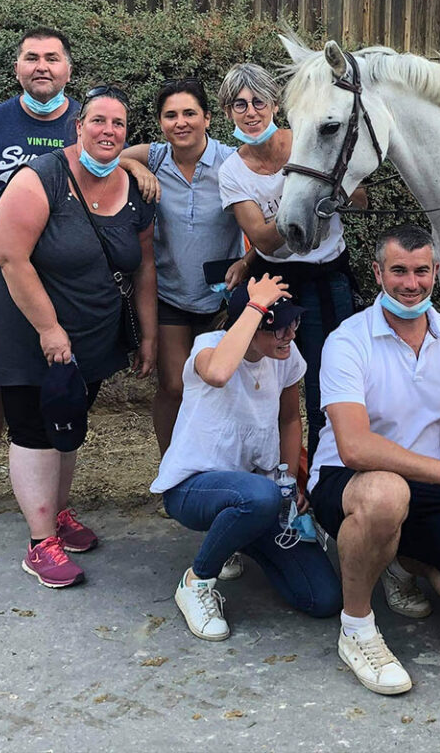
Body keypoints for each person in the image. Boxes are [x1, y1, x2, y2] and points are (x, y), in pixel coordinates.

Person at [0, 28, 154, 534]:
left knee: (66, 420)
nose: (42, 66)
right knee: (11, 405)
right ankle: (14, 517)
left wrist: (138, 166)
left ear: (68, 70)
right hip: (17, 299)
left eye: (52, 58)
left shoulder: (104, 144)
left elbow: (119, 156)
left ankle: (54, 515)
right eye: (31, 57)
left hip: (85, 317)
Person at [307, 225, 440, 697]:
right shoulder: (347, 340)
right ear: (378, 272)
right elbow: (355, 447)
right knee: (386, 494)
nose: (411, 283)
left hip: (420, 486)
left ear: (435, 272)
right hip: (348, 482)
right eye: (398, 271)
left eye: (421, 271)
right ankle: (357, 629)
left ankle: (398, 556)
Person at [0, 86, 157, 587]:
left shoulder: (132, 188)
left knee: (70, 421)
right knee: (33, 428)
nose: (107, 130)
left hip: (90, 331)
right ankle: (38, 541)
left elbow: (144, 266)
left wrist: (148, 335)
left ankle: (58, 513)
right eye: (97, 120)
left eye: (117, 123)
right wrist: (49, 329)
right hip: (24, 326)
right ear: (78, 125)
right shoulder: (41, 177)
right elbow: (9, 256)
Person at [151, 275, 343, 640]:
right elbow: (220, 373)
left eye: (294, 324)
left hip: (260, 494)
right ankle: (196, 582)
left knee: (323, 598)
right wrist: (255, 306)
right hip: (193, 488)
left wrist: (288, 484)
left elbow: (290, 419)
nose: (289, 335)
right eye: (279, 329)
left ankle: (239, 538)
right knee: (259, 496)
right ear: (251, 326)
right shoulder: (209, 347)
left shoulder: (285, 357)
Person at [217, 62, 357, 463]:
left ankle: (325, 470)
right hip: (275, 281)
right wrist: (306, 205)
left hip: (328, 275)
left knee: (325, 376)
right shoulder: (232, 171)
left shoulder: (305, 141)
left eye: (258, 101)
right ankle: (274, 468)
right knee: (269, 378)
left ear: (275, 104)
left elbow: (358, 196)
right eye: (239, 104)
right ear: (228, 113)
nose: (251, 111)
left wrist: (340, 193)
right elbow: (260, 237)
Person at [120, 77, 250, 454]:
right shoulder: (157, 158)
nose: (181, 122)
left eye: (190, 113)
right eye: (170, 115)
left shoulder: (231, 161)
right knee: (174, 386)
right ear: (160, 122)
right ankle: (172, 470)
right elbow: (107, 155)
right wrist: (136, 167)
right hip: (170, 294)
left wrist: (247, 260)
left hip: (221, 297)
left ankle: (217, 464)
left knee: (219, 384)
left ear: (208, 118)